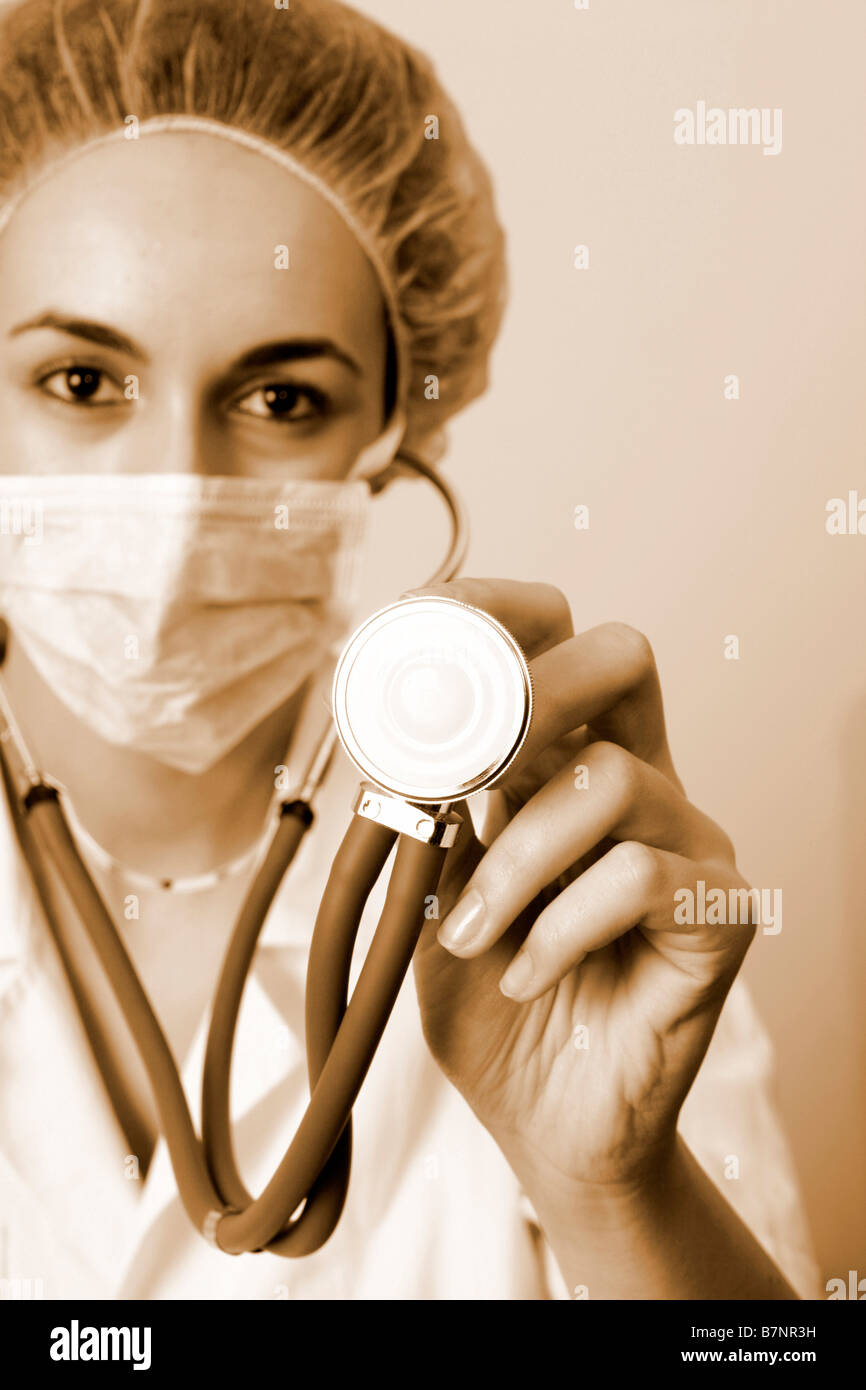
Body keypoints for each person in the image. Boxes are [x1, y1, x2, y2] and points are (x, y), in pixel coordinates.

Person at [0, 0, 820, 1300]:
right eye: (80, 381)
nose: (174, 486)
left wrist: (615, 1193)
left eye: (282, 399)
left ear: (392, 441)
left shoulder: (553, 888)